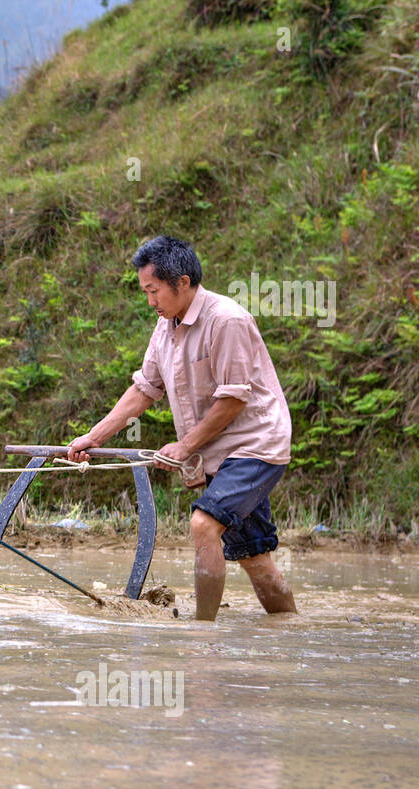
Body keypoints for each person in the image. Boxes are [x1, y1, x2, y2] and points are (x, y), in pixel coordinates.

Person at [67, 236, 297, 620]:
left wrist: (184, 445)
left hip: (256, 445)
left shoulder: (226, 320)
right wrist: (94, 437)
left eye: (153, 291)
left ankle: (202, 633)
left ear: (183, 282)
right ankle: (290, 628)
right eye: (145, 292)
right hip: (217, 453)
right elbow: (144, 389)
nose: (150, 301)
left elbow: (234, 399)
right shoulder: (166, 328)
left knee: (203, 524)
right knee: (256, 558)